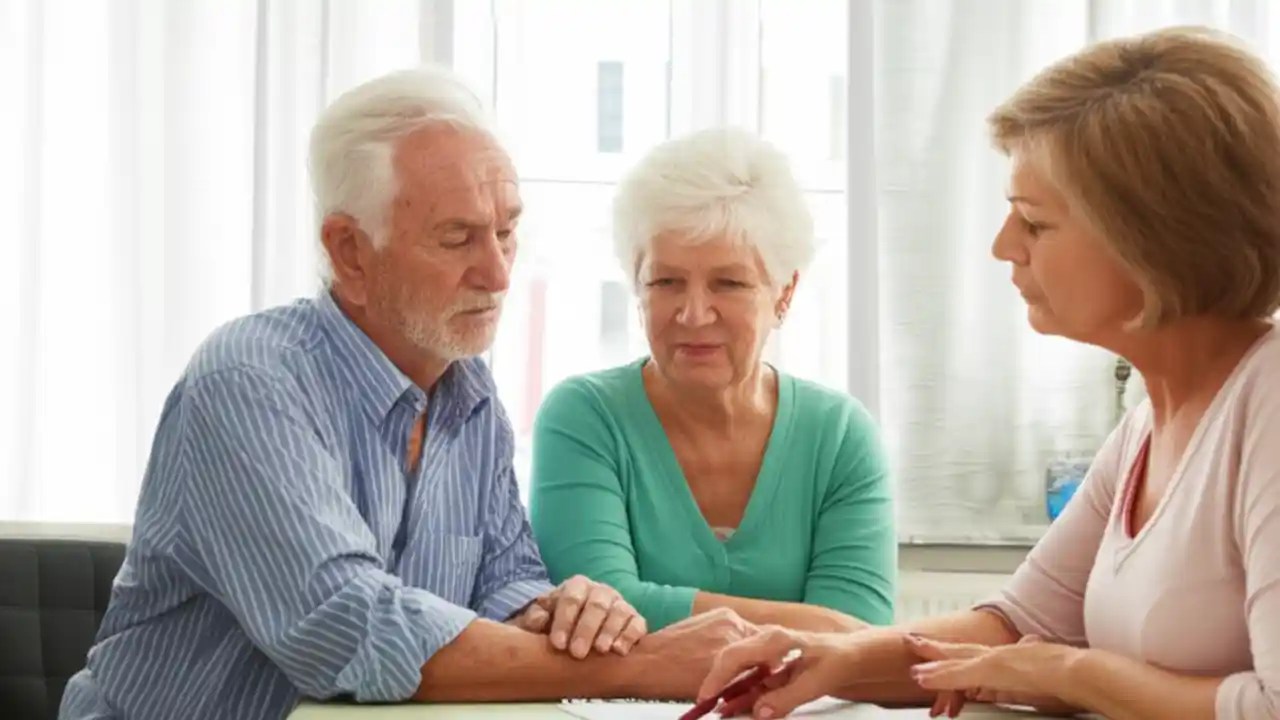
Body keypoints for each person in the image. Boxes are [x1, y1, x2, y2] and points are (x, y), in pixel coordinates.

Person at [59, 67, 758, 720]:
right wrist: (643, 665)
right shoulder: (247, 384)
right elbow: (349, 629)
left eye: (507, 231)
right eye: (457, 239)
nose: (498, 273)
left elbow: (507, 580)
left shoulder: (468, 389)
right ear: (350, 252)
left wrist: (563, 614)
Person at [695, 26, 1280, 720]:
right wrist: (834, 658)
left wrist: (1074, 674)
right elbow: (1015, 627)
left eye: (1034, 223)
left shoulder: (1268, 400)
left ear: (1154, 238)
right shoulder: (1151, 420)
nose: (1004, 247)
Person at [528, 127, 896, 636]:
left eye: (729, 283)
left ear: (784, 293)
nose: (694, 313)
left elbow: (861, 640)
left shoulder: (839, 435)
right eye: (666, 282)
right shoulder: (583, 416)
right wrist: (812, 628)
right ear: (637, 287)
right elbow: (590, 618)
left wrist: (652, 609)